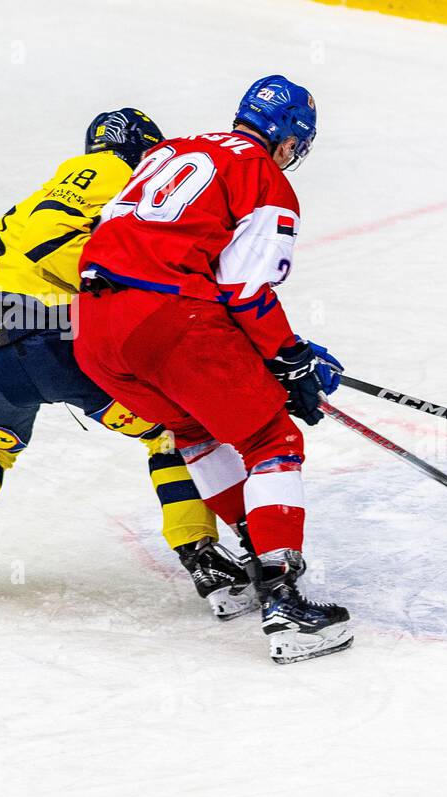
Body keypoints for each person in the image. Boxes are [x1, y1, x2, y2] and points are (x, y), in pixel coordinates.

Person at [0, 109, 252, 619]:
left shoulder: (47, 188)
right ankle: (204, 560)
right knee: (174, 431)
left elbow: (36, 241)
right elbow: (67, 246)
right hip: (58, 338)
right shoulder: (119, 176)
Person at [73, 76, 351, 664]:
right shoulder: (264, 177)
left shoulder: (173, 148)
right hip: (166, 317)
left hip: (94, 330)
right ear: (287, 141)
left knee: (197, 430)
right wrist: (288, 358)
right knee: (272, 439)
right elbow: (245, 289)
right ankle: (283, 601)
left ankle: (256, 552)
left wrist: (277, 355)